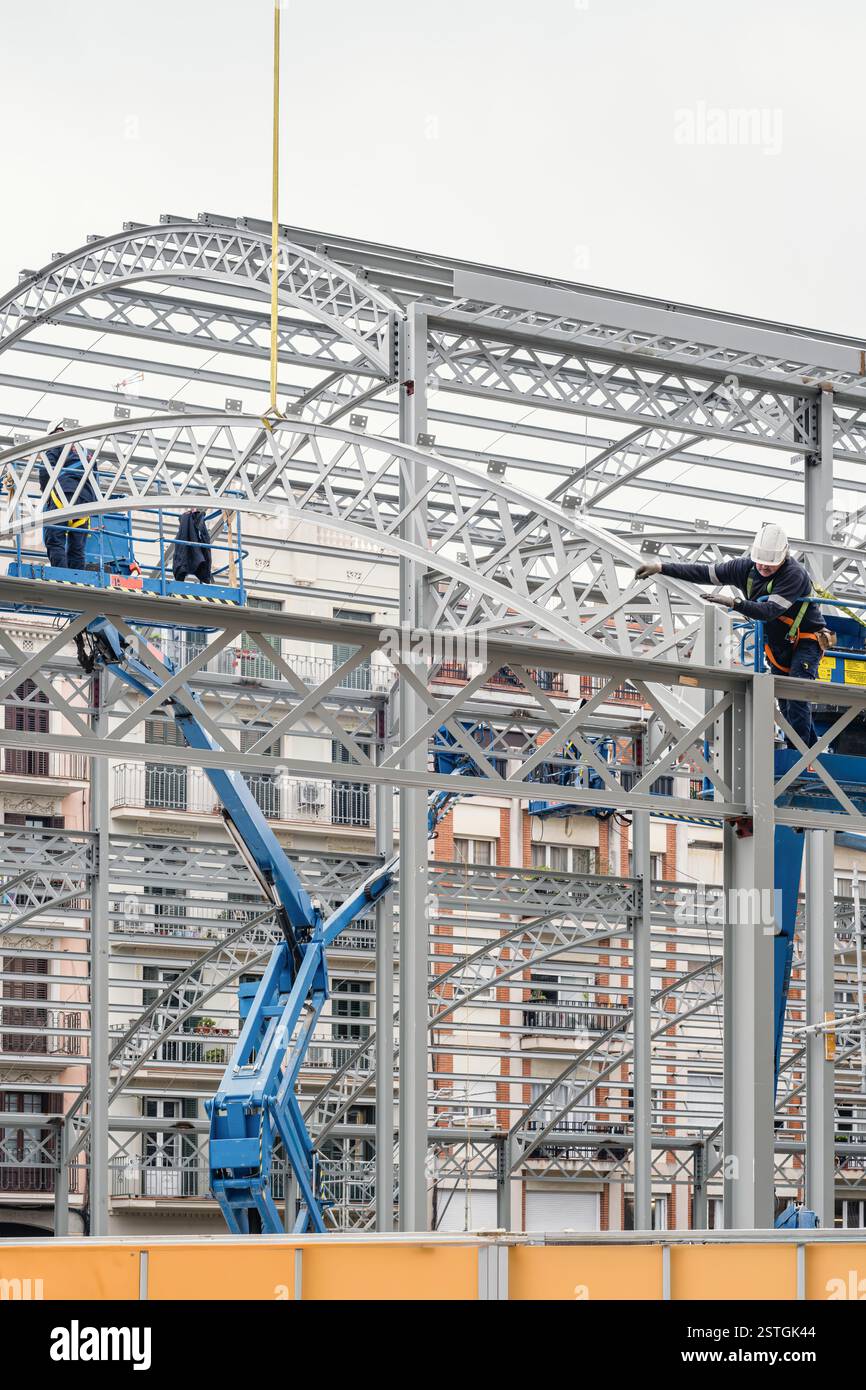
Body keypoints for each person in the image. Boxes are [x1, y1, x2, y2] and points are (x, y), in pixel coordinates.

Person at [636, 523, 827, 748]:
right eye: (761, 561)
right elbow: (703, 573)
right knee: (786, 701)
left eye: (771, 564)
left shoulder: (794, 575)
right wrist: (661, 567)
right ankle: (810, 755)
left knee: (796, 695)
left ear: (783, 557)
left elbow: (769, 611)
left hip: (806, 640)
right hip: (777, 645)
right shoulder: (744, 569)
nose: (764, 567)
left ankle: (799, 758)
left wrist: (736, 603)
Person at [38, 420, 97, 571]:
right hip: (86, 500)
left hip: (63, 495)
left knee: (55, 540)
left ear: (52, 434)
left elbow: (46, 470)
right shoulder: (86, 452)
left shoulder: (55, 444)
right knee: (77, 546)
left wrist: (46, 494)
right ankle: (76, 578)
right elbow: (95, 478)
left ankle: (61, 576)